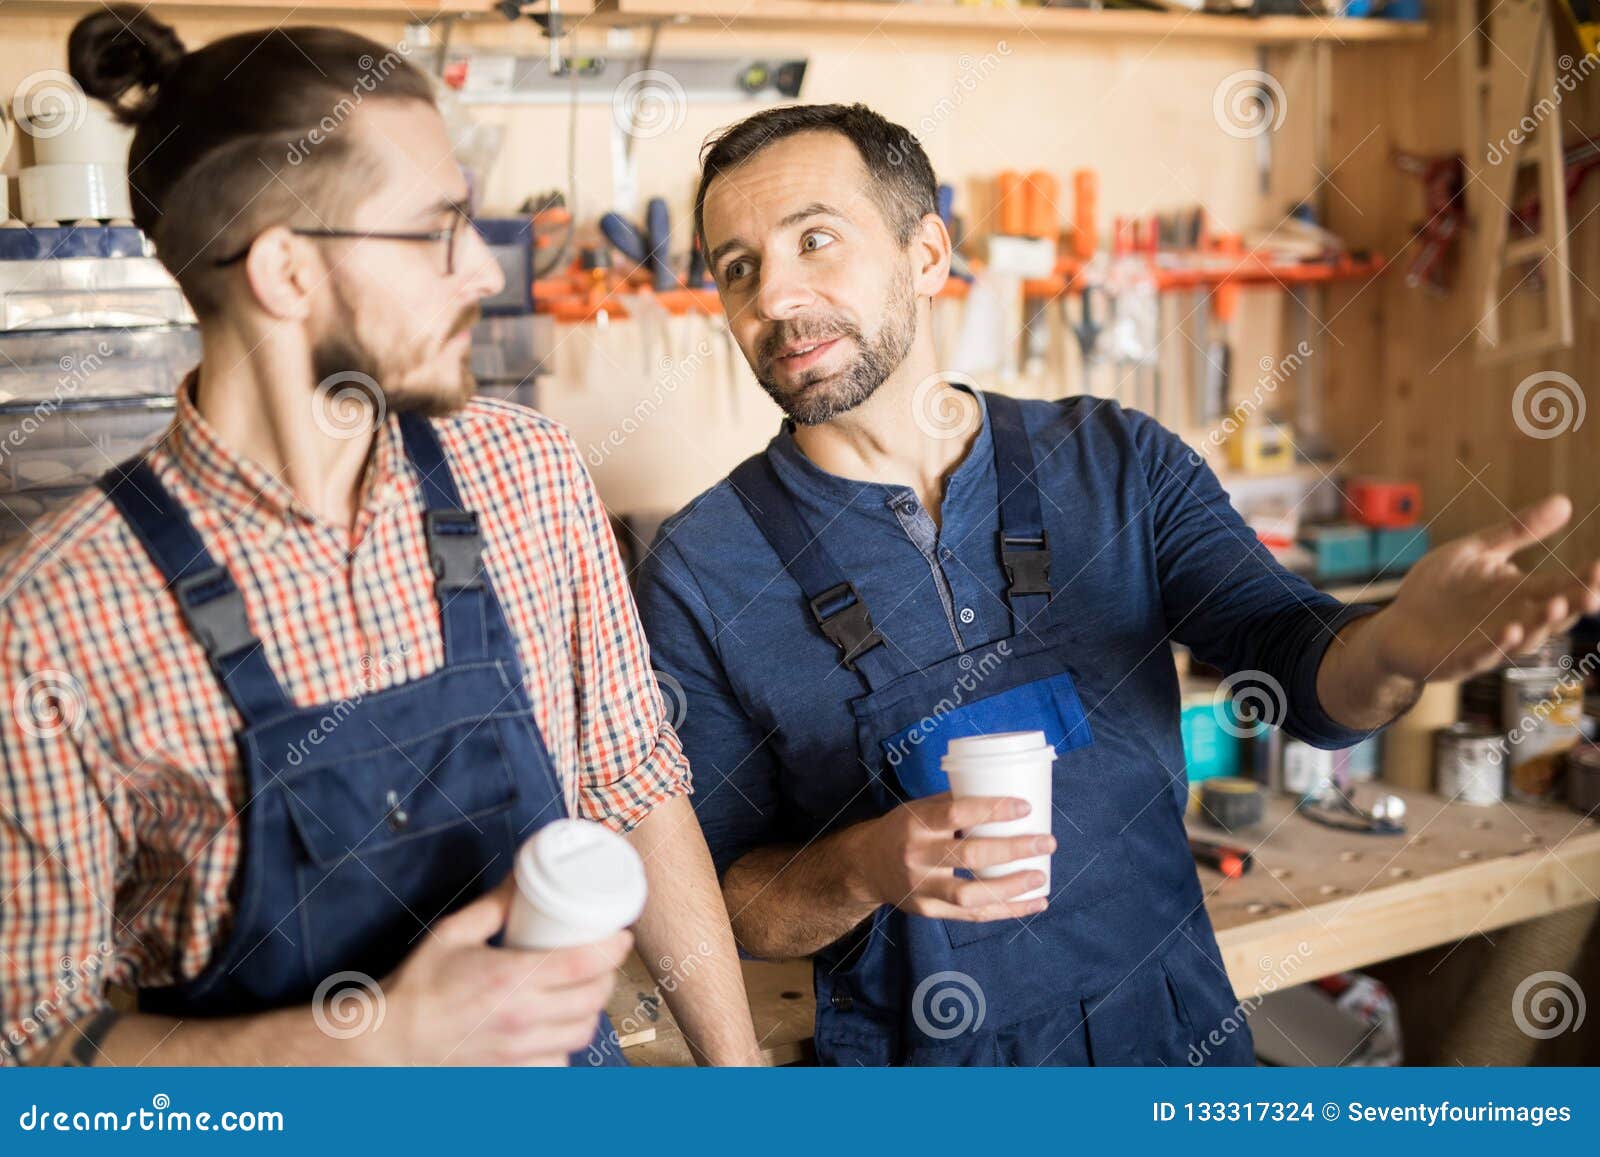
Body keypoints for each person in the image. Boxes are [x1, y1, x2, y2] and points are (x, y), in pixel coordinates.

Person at [634, 103, 1600, 1066]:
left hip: (1172, 1038)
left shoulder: (1112, 462)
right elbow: (721, 895)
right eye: (739, 268)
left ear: (926, 254)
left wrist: (1393, 646)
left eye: (814, 240)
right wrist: (864, 864)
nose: (774, 298)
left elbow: (1299, 667)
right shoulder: (705, 566)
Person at [0, 8, 760, 1068]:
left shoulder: (526, 477)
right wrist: (370, 1041)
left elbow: (632, 783)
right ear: (286, 272)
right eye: (437, 227)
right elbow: (31, 1045)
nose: (485, 273)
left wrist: (742, 1087)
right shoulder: (54, 612)